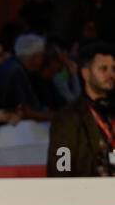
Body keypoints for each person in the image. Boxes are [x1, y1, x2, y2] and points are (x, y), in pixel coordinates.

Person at [47, 42, 115, 177]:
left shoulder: (111, 112)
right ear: (85, 73)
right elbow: (61, 168)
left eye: (113, 68)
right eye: (103, 69)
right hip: (87, 194)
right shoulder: (67, 118)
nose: (110, 74)